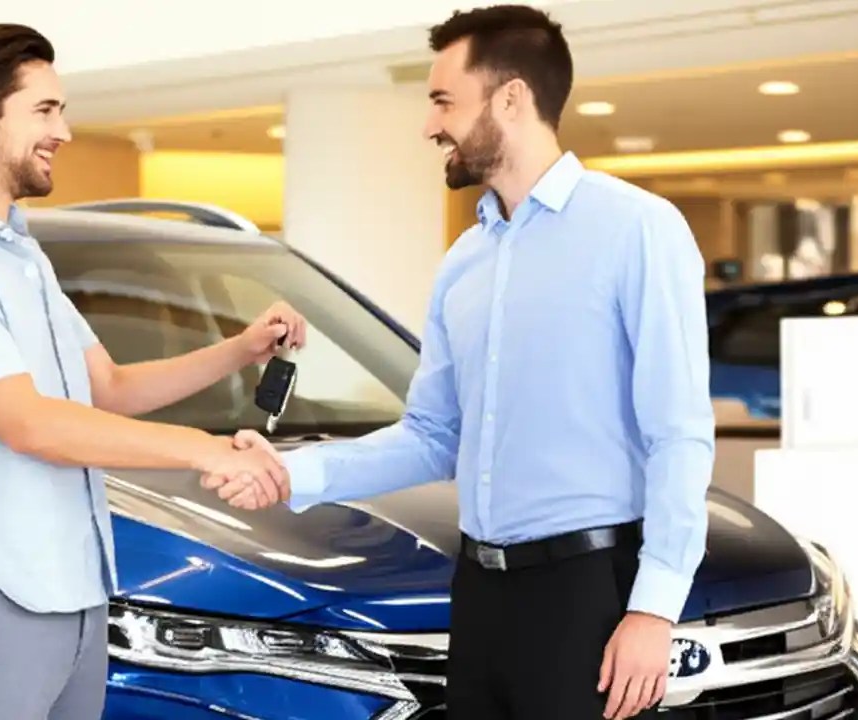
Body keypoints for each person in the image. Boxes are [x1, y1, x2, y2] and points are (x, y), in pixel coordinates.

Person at [216, 6, 714, 719]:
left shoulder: (637, 229)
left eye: (444, 100)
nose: (430, 125)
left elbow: (679, 433)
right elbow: (432, 435)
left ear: (511, 98)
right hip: (479, 589)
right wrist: (291, 472)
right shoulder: (465, 264)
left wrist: (654, 611)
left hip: (587, 592)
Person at [0, 23, 303, 720]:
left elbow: (108, 389)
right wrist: (204, 449)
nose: (64, 131)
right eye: (44, 110)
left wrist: (240, 350)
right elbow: (28, 422)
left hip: (73, 590)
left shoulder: (20, 257)